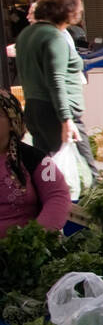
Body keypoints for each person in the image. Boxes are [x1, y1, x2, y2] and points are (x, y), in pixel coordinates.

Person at [14, 0, 93, 176]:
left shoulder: (26, 34)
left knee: (47, 171)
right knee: (85, 172)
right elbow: (56, 81)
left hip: (35, 109)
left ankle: (51, 203)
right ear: (67, 11)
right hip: (57, 113)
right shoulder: (53, 37)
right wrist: (66, 120)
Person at [0, 89, 71, 238]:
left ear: (13, 122)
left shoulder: (34, 159)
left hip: (25, 253)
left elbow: (57, 196)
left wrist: (33, 237)